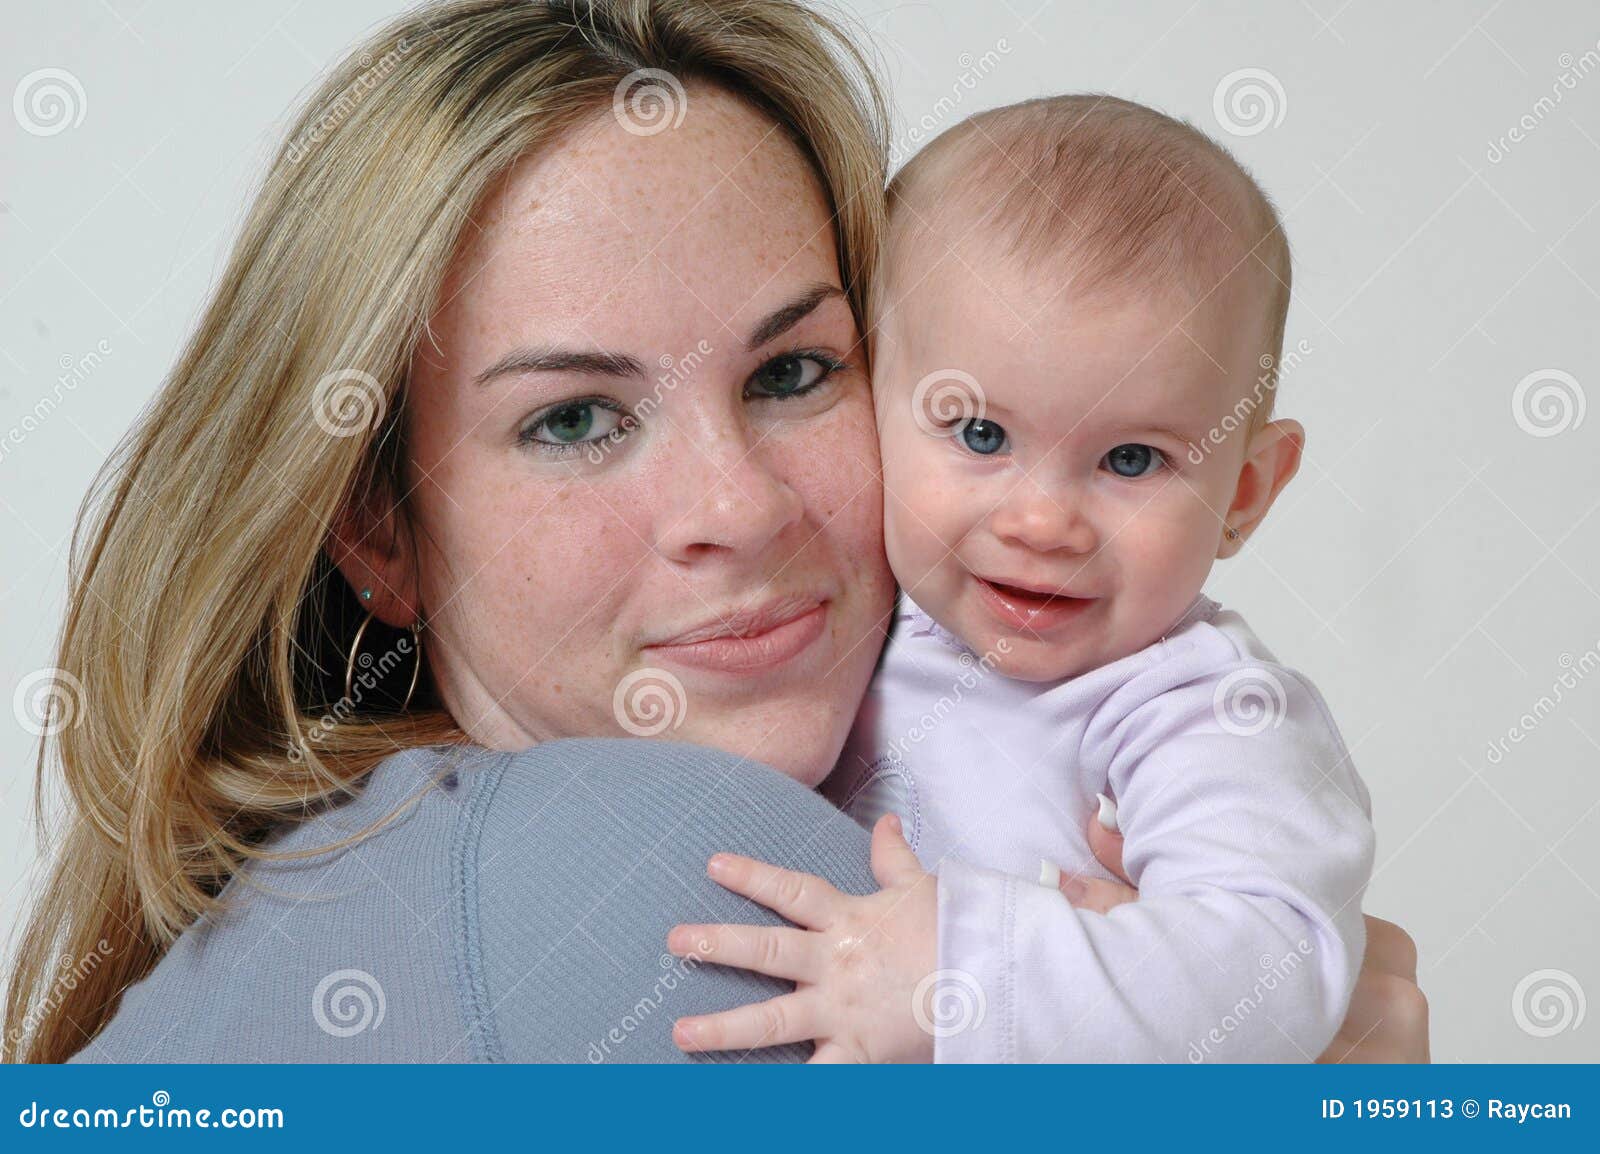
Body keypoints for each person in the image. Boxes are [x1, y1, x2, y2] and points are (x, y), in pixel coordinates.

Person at [2, 0, 1425, 1064]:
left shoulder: (361, 871)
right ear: (379, 531)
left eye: (794, 373)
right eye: (573, 419)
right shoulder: (663, 864)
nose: (738, 507)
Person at [667, 95, 1376, 1062]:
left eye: (1132, 460)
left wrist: (962, 980)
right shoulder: (842, 621)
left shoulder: (1195, 708)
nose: (1041, 523)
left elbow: (1277, 966)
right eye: (981, 435)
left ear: (1245, 490)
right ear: (868, 404)